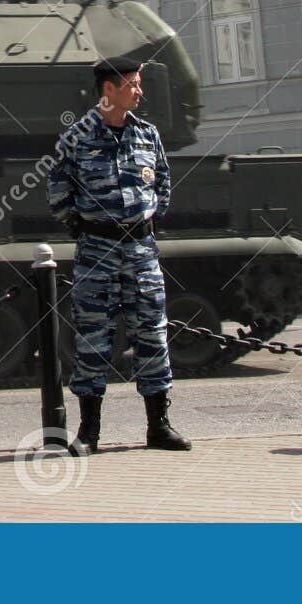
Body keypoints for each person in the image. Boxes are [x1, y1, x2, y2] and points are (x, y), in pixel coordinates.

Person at [48, 59, 191, 456]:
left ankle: (158, 426)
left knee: (152, 334)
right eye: (132, 85)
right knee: (93, 338)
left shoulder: (147, 135)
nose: (140, 92)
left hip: (142, 251)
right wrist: (88, 228)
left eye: (140, 85)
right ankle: (89, 431)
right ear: (108, 90)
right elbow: (58, 193)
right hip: (97, 250)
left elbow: (162, 183)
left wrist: (146, 223)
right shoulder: (76, 138)